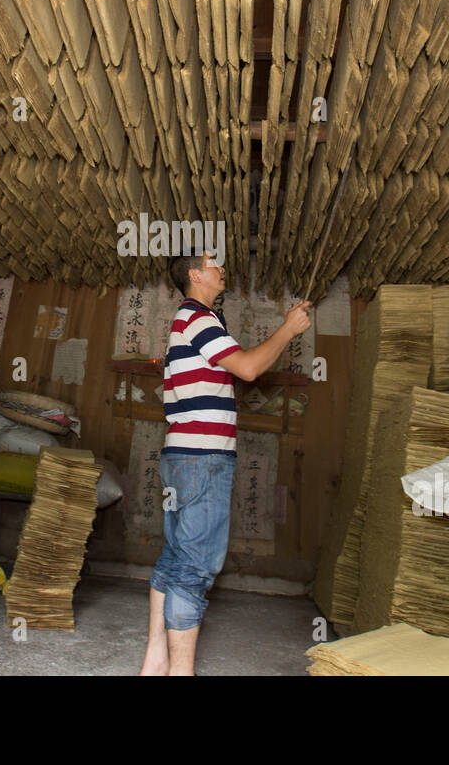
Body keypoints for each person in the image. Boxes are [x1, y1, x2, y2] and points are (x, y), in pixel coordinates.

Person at [139, 250, 312, 675]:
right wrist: (288, 329)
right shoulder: (200, 319)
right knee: (194, 568)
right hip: (203, 459)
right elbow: (249, 369)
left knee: (175, 558)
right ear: (196, 275)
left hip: (180, 456)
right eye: (214, 264)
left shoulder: (186, 322)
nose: (222, 271)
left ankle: (154, 662)